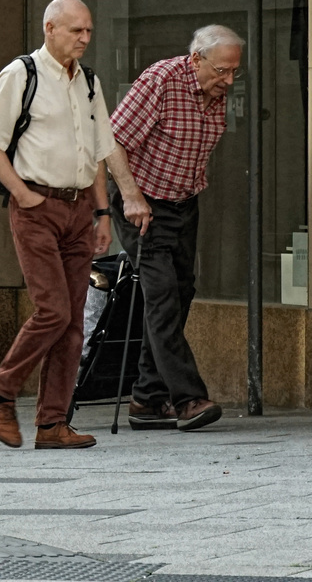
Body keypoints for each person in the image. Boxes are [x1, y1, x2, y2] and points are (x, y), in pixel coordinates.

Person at [0, 0, 153, 450]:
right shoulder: (22, 75)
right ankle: (2, 391)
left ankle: (52, 424)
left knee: (73, 322)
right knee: (52, 310)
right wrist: (22, 194)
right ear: (50, 28)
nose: (85, 39)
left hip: (78, 209)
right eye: (76, 31)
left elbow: (98, 151)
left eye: (89, 31)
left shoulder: (88, 82)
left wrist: (101, 212)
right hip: (37, 207)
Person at [107, 24, 243, 433]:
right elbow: (111, 141)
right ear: (197, 59)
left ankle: (147, 399)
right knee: (163, 295)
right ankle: (188, 398)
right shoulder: (161, 80)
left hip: (184, 203)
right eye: (222, 70)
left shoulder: (213, 93)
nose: (229, 80)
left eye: (235, 72)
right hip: (144, 205)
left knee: (181, 291)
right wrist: (131, 197)